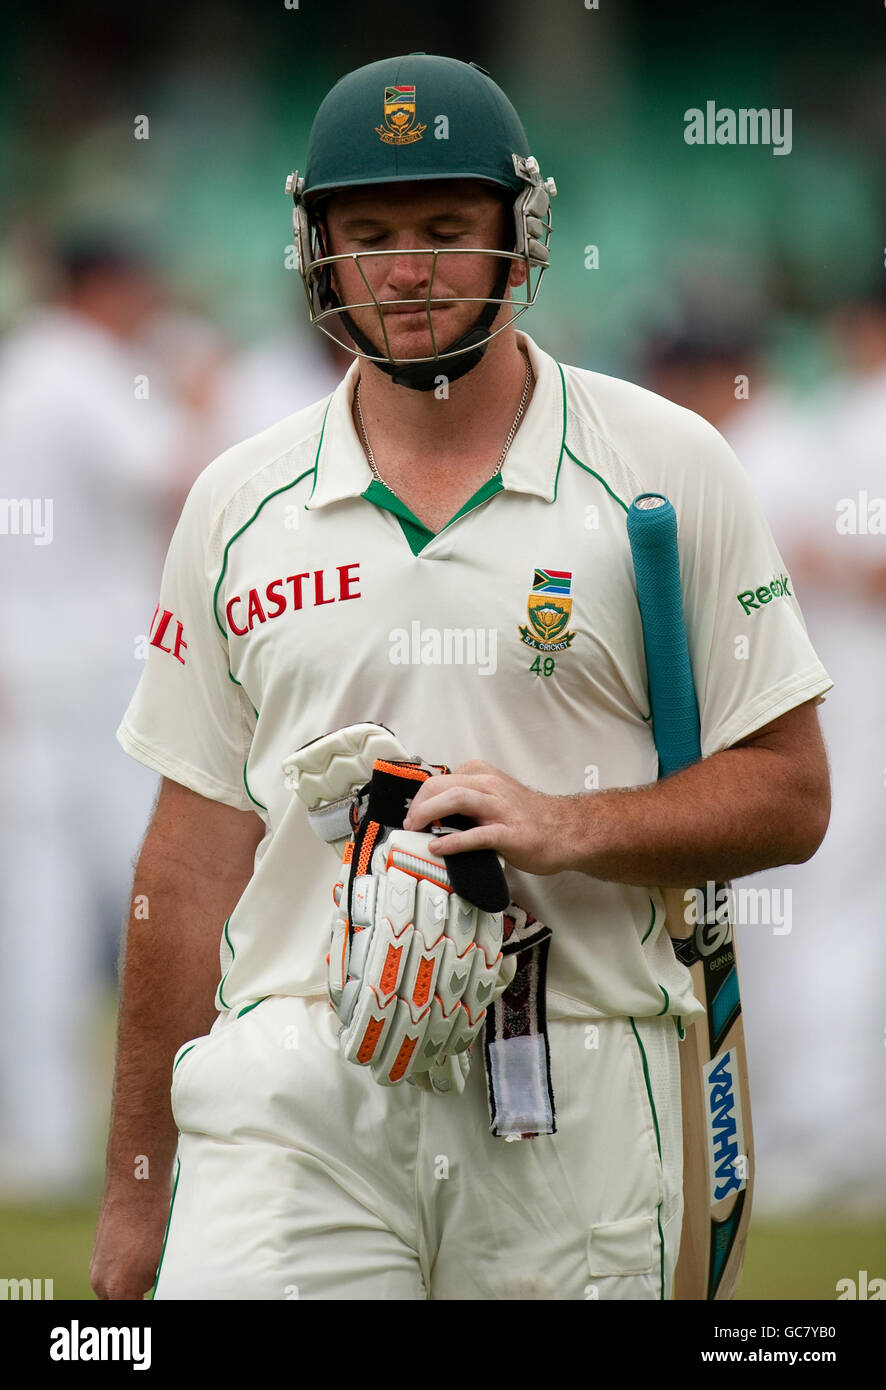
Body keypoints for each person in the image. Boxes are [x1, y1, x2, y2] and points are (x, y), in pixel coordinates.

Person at [91, 54, 833, 1301]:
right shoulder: (236, 501)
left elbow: (789, 796)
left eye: (445, 227)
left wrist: (568, 822)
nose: (406, 266)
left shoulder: (667, 466)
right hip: (297, 1078)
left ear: (520, 235)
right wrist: (135, 1185)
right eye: (368, 232)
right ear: (317, 248)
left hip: (580, 1085)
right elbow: (190, 856)